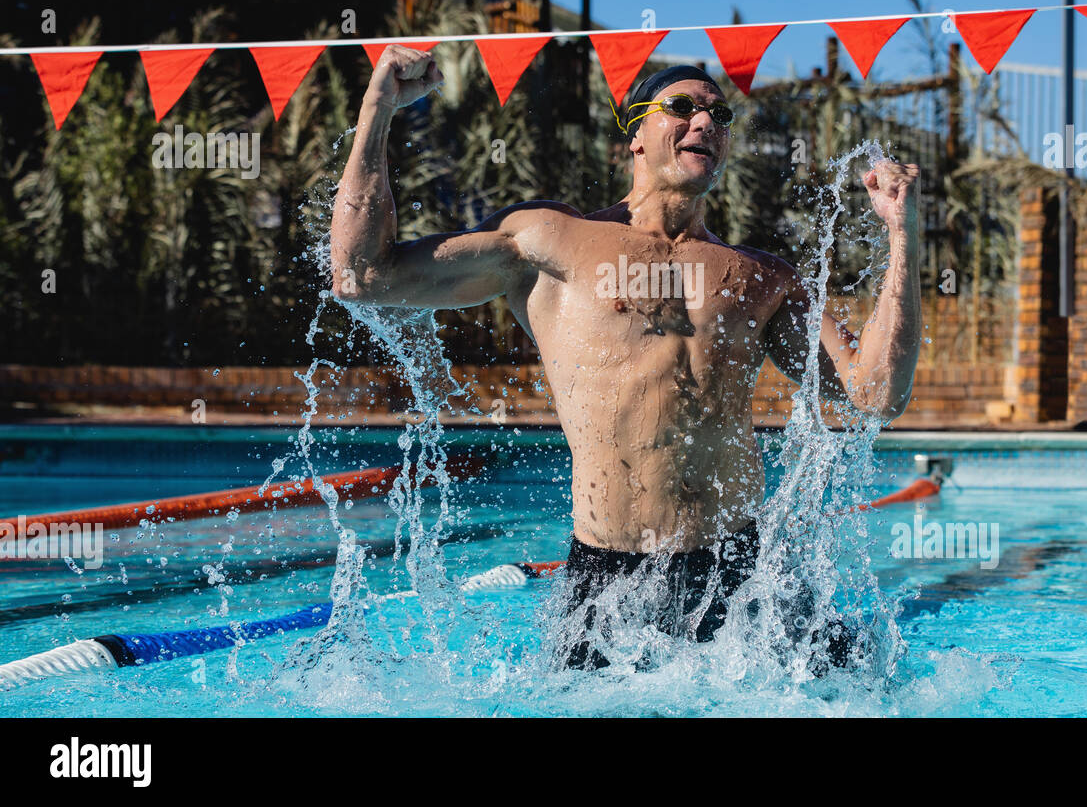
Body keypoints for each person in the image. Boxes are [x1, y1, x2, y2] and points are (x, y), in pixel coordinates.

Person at [331, 46, 922, 670]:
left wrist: (902, 232)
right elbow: (361, 275)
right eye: (683, 108)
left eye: (719, 115)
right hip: (608, 583)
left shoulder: (760, 277)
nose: (706, 123)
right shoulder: (551, 241)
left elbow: (877, 393)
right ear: (635, 135)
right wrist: (378, 110)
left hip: (744, 574)